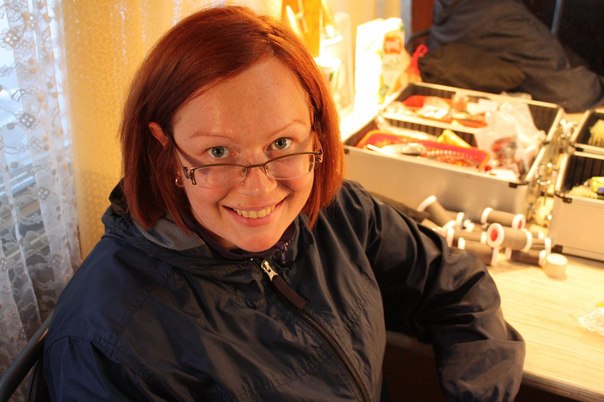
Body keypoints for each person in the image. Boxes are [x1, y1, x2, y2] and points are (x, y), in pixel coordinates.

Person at [44, 5, 524, 401]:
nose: (259, 190)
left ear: (315, 130)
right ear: (163, 149)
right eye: (218, 153)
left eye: (281, 144)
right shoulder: (106, 345)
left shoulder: (333, 213)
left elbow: (454, 284)